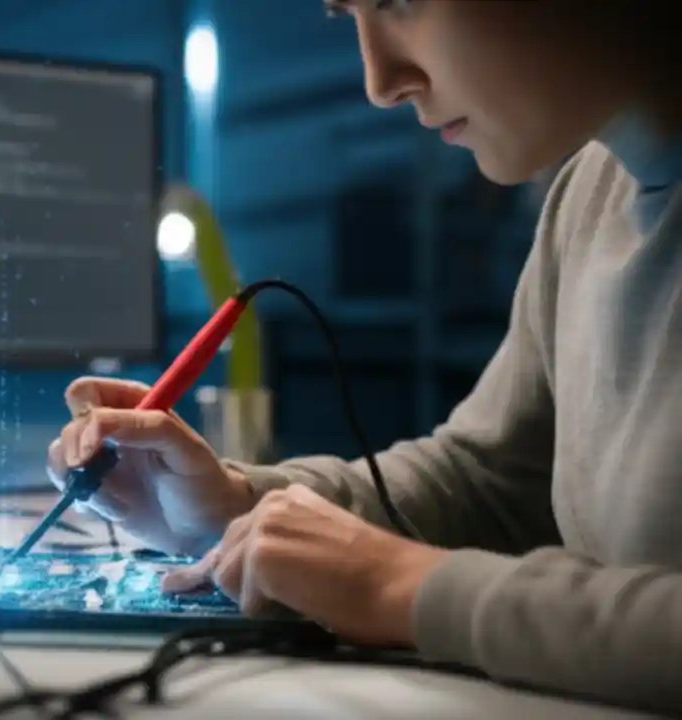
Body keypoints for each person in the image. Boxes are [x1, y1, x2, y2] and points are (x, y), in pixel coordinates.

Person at [46, 0, 682, 714]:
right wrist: (234, 507)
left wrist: (406, 590)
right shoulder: (590, 192)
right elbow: (493, 484)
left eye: (398, 3)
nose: (379, 80)